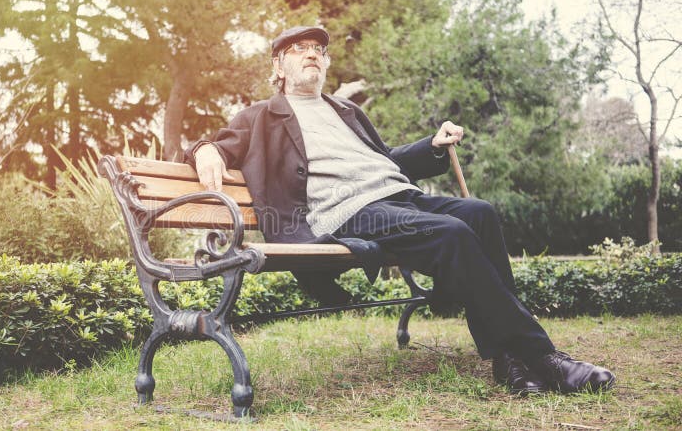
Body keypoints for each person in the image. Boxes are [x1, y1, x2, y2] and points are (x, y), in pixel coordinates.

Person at [183, 26, 615, 395]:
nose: (313, 54)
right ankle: (542, 357)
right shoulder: (261, 116)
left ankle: (508, 359)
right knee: (451, 233)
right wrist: (204, 151)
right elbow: (216, 144)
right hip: (348, 213)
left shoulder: (345, 110)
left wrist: (432, 146)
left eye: (320, 50)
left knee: (478, 212)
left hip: (397, 196)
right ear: (278, 67)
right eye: (300, 49)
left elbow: (385, 159)